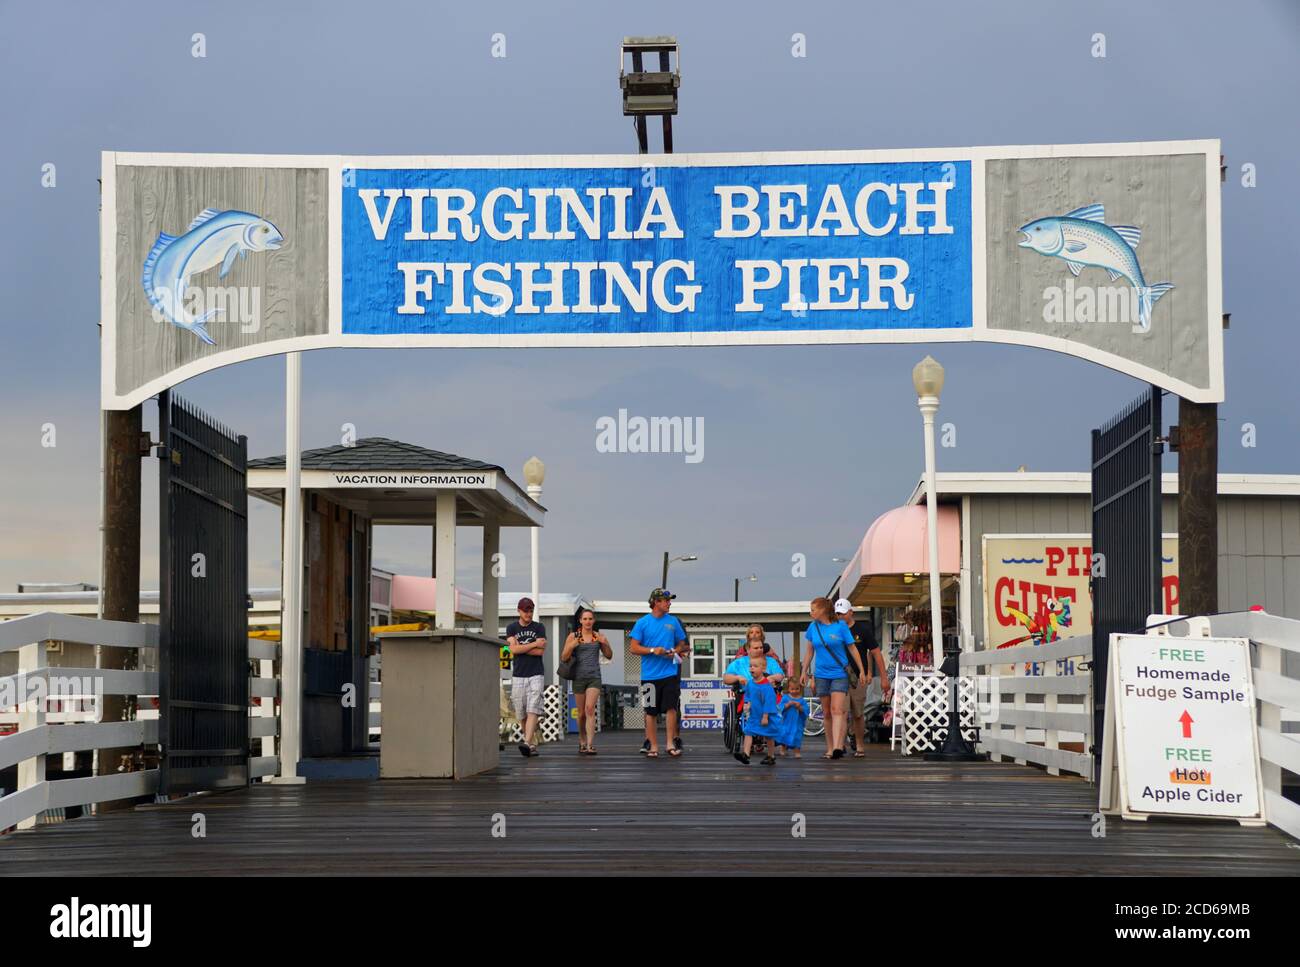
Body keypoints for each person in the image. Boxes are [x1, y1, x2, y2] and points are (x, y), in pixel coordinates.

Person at [802, 596, 866, 760]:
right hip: (821, 674)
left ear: (823, 610)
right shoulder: (812, 627)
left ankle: (838, 746)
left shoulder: (841, 626)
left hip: (839, 673)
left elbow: (852, 649)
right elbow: (810, 652)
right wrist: (804, 672)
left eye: (813, 610)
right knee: (827, 712)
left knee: (838, 710)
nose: (811, 613)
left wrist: (861, 670)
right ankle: (830, 748)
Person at [628, 588, 688, 758]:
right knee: (651, 711)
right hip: (649, 676)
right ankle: (653, 746)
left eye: (669, 600)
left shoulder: (674, 621)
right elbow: (633, 648)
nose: (669, 603)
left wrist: (674, 651)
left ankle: (669, 744)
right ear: (656, 602)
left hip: (670, 673)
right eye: (666, 600)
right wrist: (653, 650)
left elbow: (682, 644)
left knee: (671, 708)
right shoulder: (642, 623)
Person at [835, 598, 891, 758]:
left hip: (858, 678)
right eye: (837, 614)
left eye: (843, 613)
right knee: (841, 712)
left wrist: (883, 678)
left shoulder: (863, 629)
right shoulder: (834, 630)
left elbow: (876, 653)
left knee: (858, 713)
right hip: (838, 676)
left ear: (851, 612)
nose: (840, 617)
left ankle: (859, 743)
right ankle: (840, 745)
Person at [561, 608, 612, 755]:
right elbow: (564, 658)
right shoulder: (573, 636)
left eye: (590, 619)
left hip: (594, 677)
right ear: (580, 621)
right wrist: (571, 645)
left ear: (594, 621)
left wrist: (605, 643)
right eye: (585, 619)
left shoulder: (598, 636)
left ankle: (590, 744)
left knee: (590, 709)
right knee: (581, 713)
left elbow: (609, 655)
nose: (588, 621)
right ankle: (582, 740)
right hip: (578, 677)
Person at [506, 597, 547, 757]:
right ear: (519, 611)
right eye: (525, 610)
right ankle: (531, 744)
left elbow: (540, 651)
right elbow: (512, 650)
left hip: (536, 673)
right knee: (521, 712)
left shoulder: (539, 627)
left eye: (530, 610)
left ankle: (527, 743)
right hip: (518, 674)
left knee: (533, 708)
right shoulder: (512, 627)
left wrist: (520, 647)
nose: (529, 613)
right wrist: (532, 644)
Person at [735, 655, 781, 766]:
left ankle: (771, 756)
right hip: (755, 715)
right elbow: (748, 695)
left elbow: (769, 702)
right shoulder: (750, 683)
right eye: (750, 666)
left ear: (763, 668)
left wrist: (765, 716)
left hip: (767, 716)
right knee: (748, 731)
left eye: (755, 666)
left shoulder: (767, 687)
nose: (752, 668)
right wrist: (747, 703)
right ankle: (746, 754)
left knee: (769, 735)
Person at [774, 678, 809, 758]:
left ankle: (797, 751)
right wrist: (787, 705)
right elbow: (780, 707)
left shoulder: (802, 700)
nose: (794, 691)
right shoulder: (786, 698)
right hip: (787, 721)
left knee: (797, 736)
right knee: (784, 734)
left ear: (800, 688)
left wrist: (799, 707)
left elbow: (806, 710)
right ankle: (783, 749)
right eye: (792, 689)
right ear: (788, 688)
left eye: (797, 689)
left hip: (797, 722)